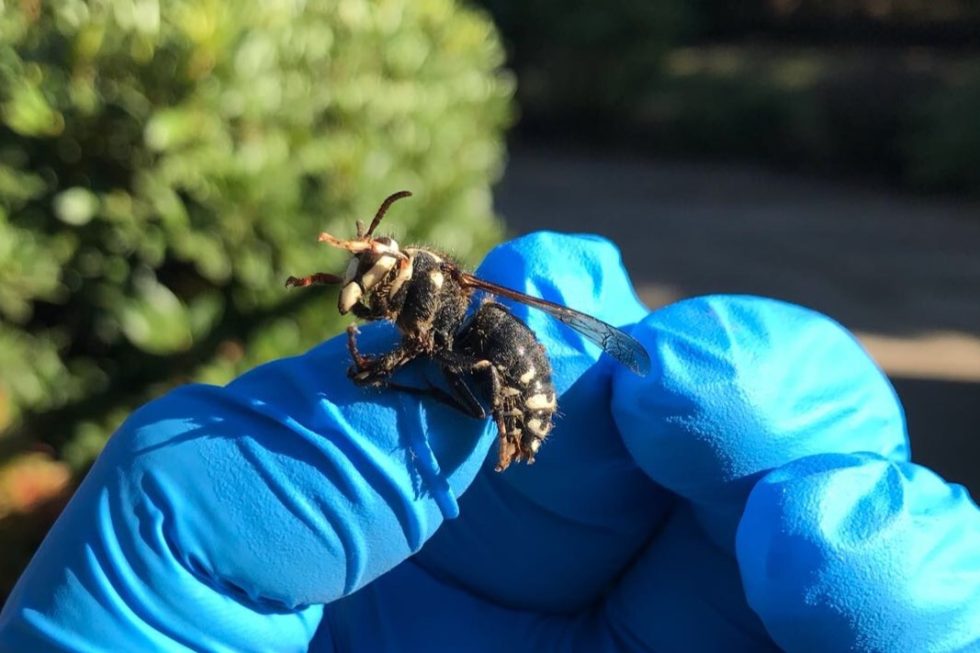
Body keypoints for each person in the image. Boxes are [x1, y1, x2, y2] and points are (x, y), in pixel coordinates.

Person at [1, 233, 977, 652]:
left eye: (380, 267)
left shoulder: (447, 312)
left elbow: (488, 349)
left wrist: (441, 383)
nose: (368, 282)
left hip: (512, 376)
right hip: (498, 374)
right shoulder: (413, 299)